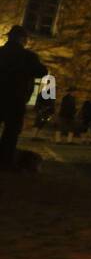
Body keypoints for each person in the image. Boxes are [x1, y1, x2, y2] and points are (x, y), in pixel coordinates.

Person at [0, 26, 48, 169]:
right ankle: (4, 161)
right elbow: (42, 72)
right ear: (22, 39)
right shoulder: (28, 56)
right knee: (11, 131)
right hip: (16, 98)